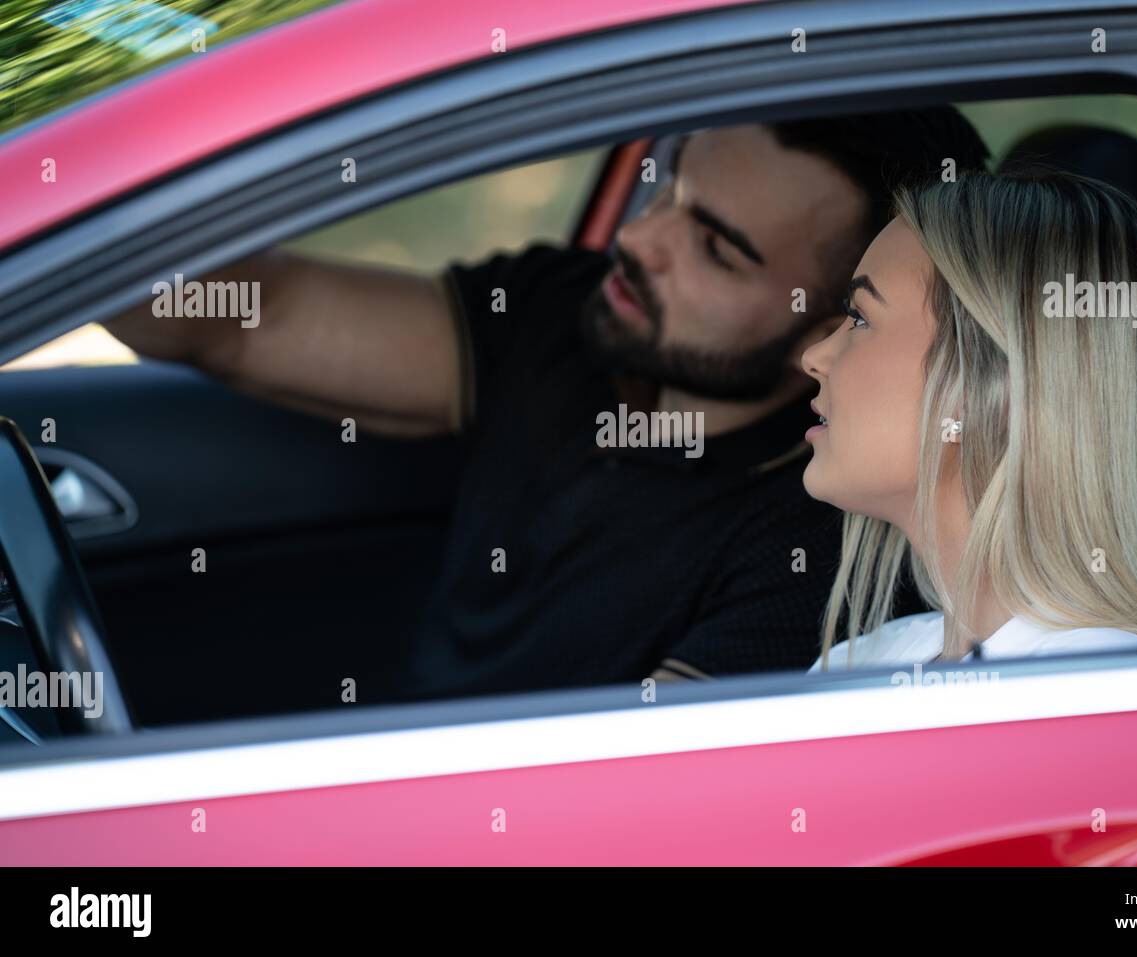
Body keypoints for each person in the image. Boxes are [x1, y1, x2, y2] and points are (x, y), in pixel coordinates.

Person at [107, 110, 990, 699]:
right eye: (668, 186)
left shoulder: (818, 548)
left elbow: (625, 808)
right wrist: (57, 212)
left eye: (717, 249)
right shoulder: (573, 314)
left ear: (837, 323)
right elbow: (241, 325)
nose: (639, 240)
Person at [802, 170, 1137, 671]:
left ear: (989, 377)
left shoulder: (1098, 691)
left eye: (860, 318)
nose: (814, 356)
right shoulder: (860, 663)